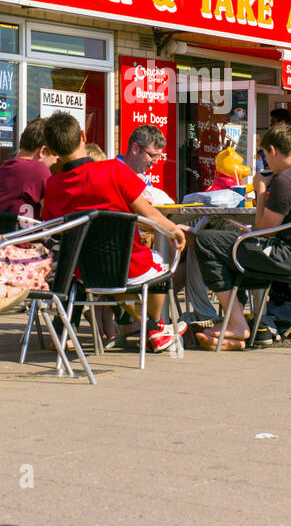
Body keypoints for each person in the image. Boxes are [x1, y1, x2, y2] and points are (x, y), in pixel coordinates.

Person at [41, 111, 189, 352]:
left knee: (112, 273)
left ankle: (152, 329)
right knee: (160, 263)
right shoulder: (113, 170)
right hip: (130, 264)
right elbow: (149, 214)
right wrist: (174, 230)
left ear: (52, 150)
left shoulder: (53, 185)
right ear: (82, 136)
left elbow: (54, 228)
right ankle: (155, 327)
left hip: (84, 272)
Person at [191, 123, 291, 350]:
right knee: (230, 245)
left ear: (273, 150)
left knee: (206, 241)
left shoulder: (287, 179)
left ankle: (236, 323)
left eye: (264, 155)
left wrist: (260, 189)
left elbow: (263, 230)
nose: (265, 162)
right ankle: (249, 323)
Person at [0, 118, 55, 223]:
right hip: (24, 238)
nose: (55, 161)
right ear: (43, 151)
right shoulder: (38, 169)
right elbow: (54, 216)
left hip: (0, 237)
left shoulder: (2, 169)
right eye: (55, 154)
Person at [117, 124, 175, 205]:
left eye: (159, 156)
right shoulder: (113, 173)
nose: (155, 162)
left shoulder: (142, 177)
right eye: (153, 156)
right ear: (135, 148)